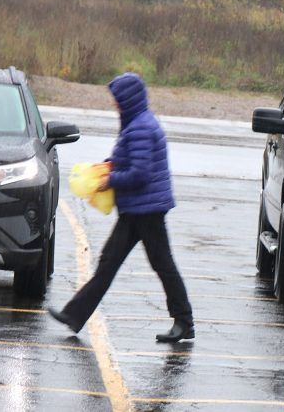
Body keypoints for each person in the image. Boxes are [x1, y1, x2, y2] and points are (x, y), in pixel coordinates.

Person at [48, 73, 194, 343]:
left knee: (161, 265)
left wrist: (109, 180)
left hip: (146, 211)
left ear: (128, 100)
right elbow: (128, 160)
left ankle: (184, 321)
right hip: (137, 210)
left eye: (117, 100)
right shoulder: (137, 124)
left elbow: (139, 174)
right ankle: (74, 315)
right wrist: (108, 165)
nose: (114, 104)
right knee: (109, 263)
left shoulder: (140, 127)